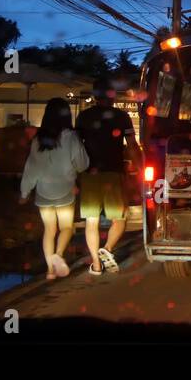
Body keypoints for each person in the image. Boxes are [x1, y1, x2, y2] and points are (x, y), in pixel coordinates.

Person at [76, 77, 142, 275]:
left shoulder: (83, 117)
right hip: (113, 173)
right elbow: (131, 145)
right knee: (120, 219)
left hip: (90, 173)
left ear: (95, 96)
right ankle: (108, 248)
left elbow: (76, 145)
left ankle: (96, 264)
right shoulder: (122, 117)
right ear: (112, 95)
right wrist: (140, 166)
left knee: (91, 220)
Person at [20, 98, 89, 279]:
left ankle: (50, 270)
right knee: (66, 227)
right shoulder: (71, 137)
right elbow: (82, 164)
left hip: (43, 191)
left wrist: (24, 192)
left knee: (49, 230)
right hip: (65, 190)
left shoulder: (38, 139)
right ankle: (58, 254)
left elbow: (31, 168)